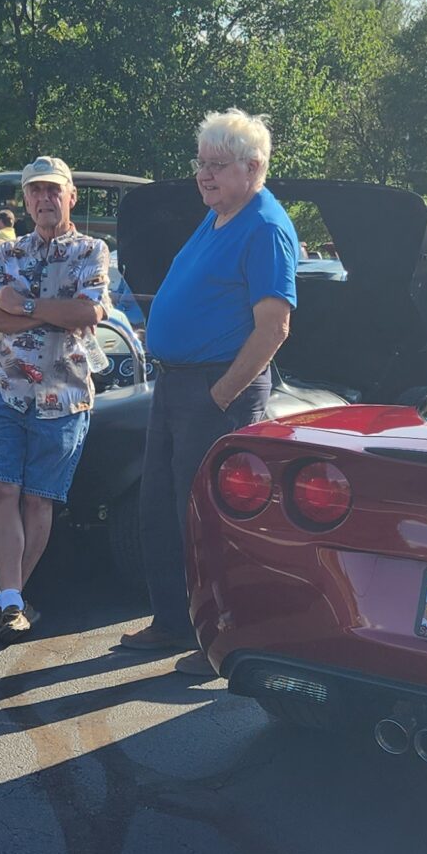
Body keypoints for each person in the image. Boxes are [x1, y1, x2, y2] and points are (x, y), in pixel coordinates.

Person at [120, 108, 299, 678]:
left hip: (214, 391)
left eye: (216, 165)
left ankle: (218, 642)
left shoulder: (265, 226)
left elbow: (274, 327)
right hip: (178, 386)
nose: (203, 175)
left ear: (253, 167)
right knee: (160, 510)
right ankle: (173, 621)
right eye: (201, 163)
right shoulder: (221, 214)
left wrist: (220, 395)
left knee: (208, 522)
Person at [0, 156, 113, 641]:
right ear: (25, 199)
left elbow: (89, 312)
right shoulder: (5, 253)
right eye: (35, 191)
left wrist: (28, 306)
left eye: (54, 191)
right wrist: (56, 315)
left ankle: (8, 596)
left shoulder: (93, 250)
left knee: (39, 501)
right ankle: (11, 598)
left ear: (71, 196)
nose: (44, 199)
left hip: (65, 395)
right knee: (1, 490)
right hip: (10, 392)